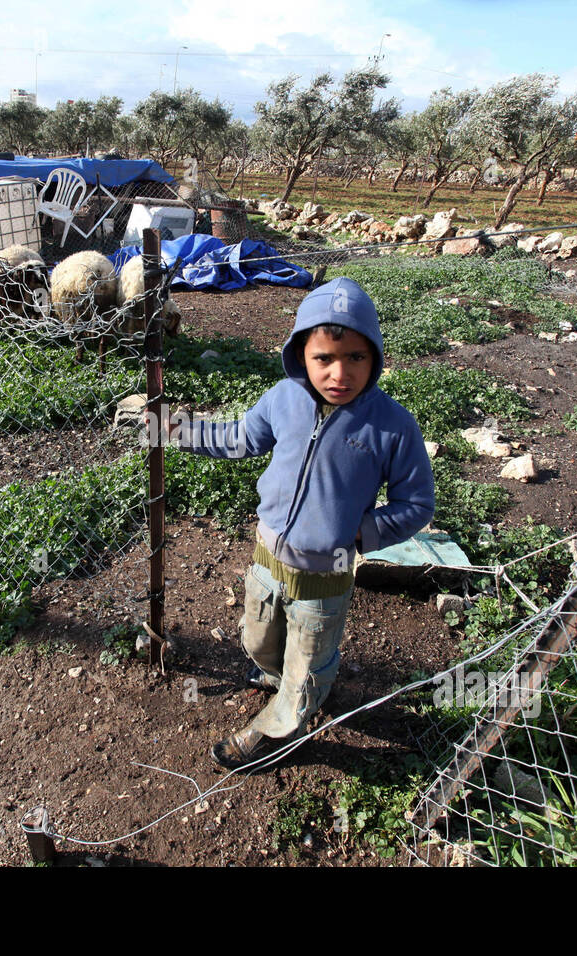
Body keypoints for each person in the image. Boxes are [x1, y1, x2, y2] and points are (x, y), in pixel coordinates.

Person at [169, 276, 435, 769]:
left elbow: (416, 504)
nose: (340, 373)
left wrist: (362, 533)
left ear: (374, 357)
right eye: (324, 358)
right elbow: (237, 439)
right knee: (258, 639)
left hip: (325, 574)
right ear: (301, 354)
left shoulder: (392, 426)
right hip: (267, 559)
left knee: (308, 663)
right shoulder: (282, 399)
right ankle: (281, 677)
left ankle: (281, 727)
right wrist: (174, 430)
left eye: (356, 357)